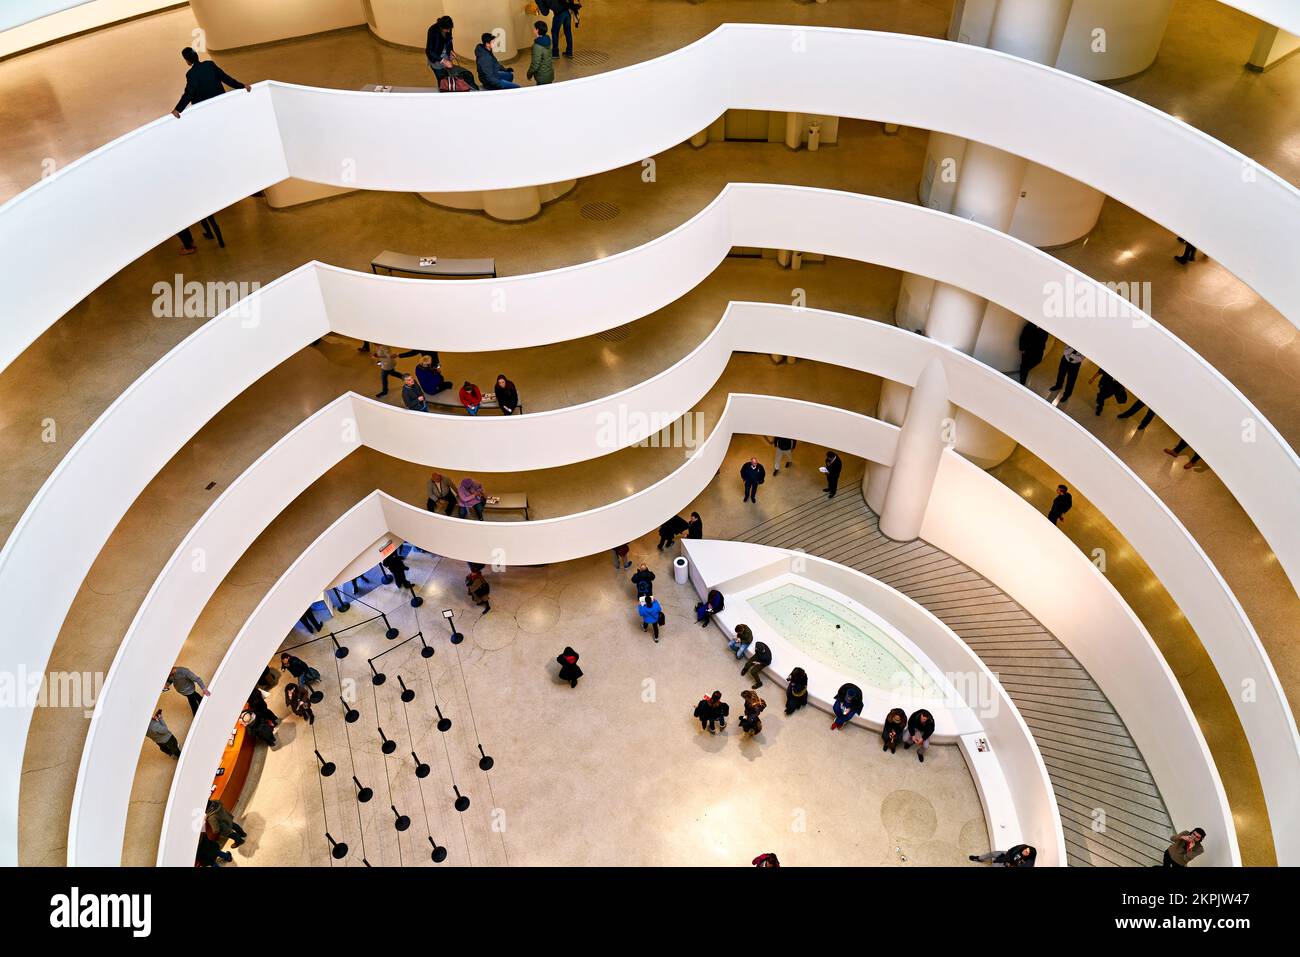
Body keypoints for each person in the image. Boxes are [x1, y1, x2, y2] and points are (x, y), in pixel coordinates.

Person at [171, 46, 249, 117]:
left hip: (206, 109)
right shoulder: (210, 64)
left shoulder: (191, 74)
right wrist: (242, 86)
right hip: (221, 103)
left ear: (187, 61)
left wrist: (178, 109)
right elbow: (226, 78)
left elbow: (189, 93)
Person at [426, 16, 479, 89]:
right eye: (447, 29)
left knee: (449, 78)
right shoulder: (433, 30)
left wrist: (451, 51)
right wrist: (443, 60)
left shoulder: (448, 28)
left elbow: (449, 40)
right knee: (442, 80)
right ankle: (443, 91)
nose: (448, 31)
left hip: (445, 56)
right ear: (441, 27)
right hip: (435, 58)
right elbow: (429, 51)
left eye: (449, 29)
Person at [527, 21, 555, 85]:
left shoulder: (537, 46)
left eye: (534, 28)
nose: (533, 29)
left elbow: (535, 64)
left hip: (542, 77)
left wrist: (529, 74)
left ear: (537, 30)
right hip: (549, 74)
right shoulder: (548, 40)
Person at [970, 845, 1036, 867]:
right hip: (1007, 855)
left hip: (1007, 864)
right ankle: (979, 858)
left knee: (994, 865)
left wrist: (1001, 861)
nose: (1024, 851)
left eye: (1026, 852)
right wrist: (1004, 857)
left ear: (1029, 855)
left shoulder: (1027, 862)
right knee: (993, 853)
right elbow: (1012, 849)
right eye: (1025, 849)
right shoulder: (1023, 847)